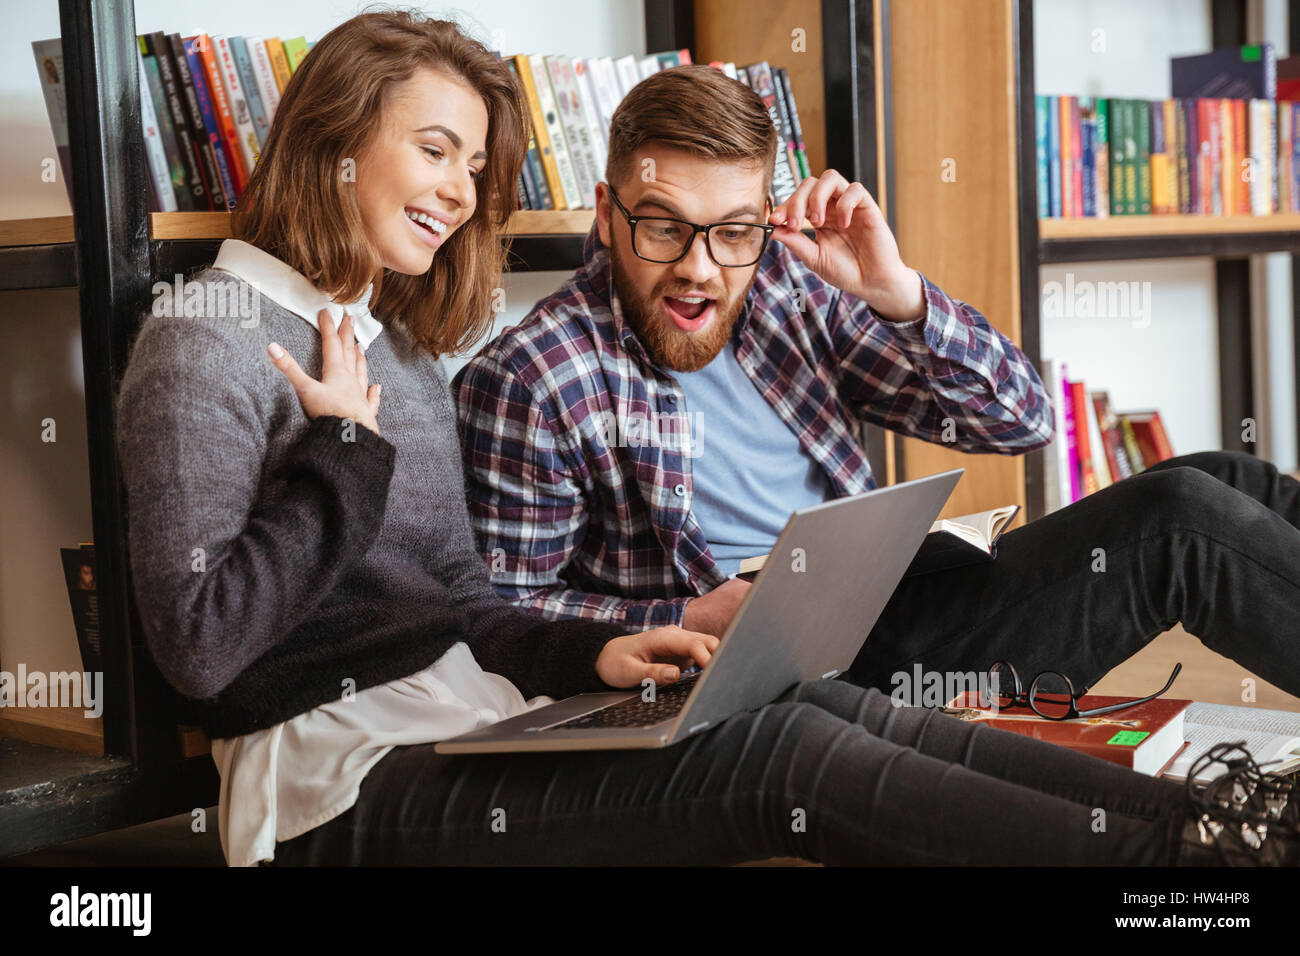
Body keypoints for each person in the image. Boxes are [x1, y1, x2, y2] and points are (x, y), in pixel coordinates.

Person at [116, 12, 1294, 867]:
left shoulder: (391, 343)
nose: (463, 191)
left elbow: (467, 599)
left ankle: (1212, 837)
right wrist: (341, 455)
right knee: (784, 755)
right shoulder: (201, 340)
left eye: (474, 164)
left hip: (464, 707)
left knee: (831, 710)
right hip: (328, 777)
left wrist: (613, 649)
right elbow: (203, 653)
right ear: (332, 138)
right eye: (435, 151)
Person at [453, 64, 1300, 709]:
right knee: (1183, 525)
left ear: (765, 218)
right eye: (665, 227)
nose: (699, 268)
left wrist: (899, 297)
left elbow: (1022, 420)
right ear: (606, 214)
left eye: (735, 231)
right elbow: (505, 616)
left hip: (888, 588)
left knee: (1229, 476)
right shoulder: (531, 379)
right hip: (805, 669)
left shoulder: (789, 289)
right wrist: (681, 615)